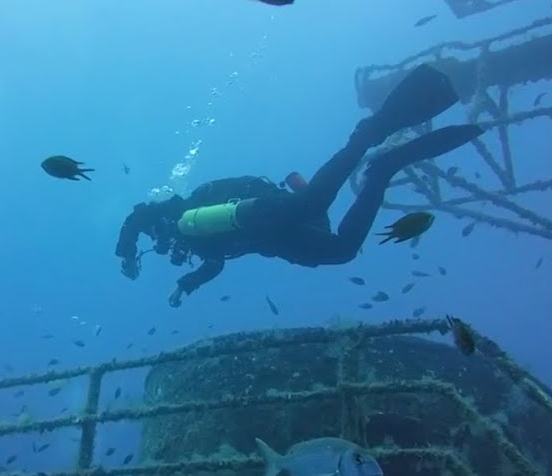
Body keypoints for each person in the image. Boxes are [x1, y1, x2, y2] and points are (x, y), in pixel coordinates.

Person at [114, 64, 484, 307]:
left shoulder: (172, 214)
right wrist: (186, 284)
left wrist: (127, 254)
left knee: (311, 204)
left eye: (162, 246)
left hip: (253, 211)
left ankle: (365, 136)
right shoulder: (197, 246)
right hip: (271, 238)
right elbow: (215, 264)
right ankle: (383, 169)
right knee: (340, 251)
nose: (167, 249)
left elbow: (135, 218)